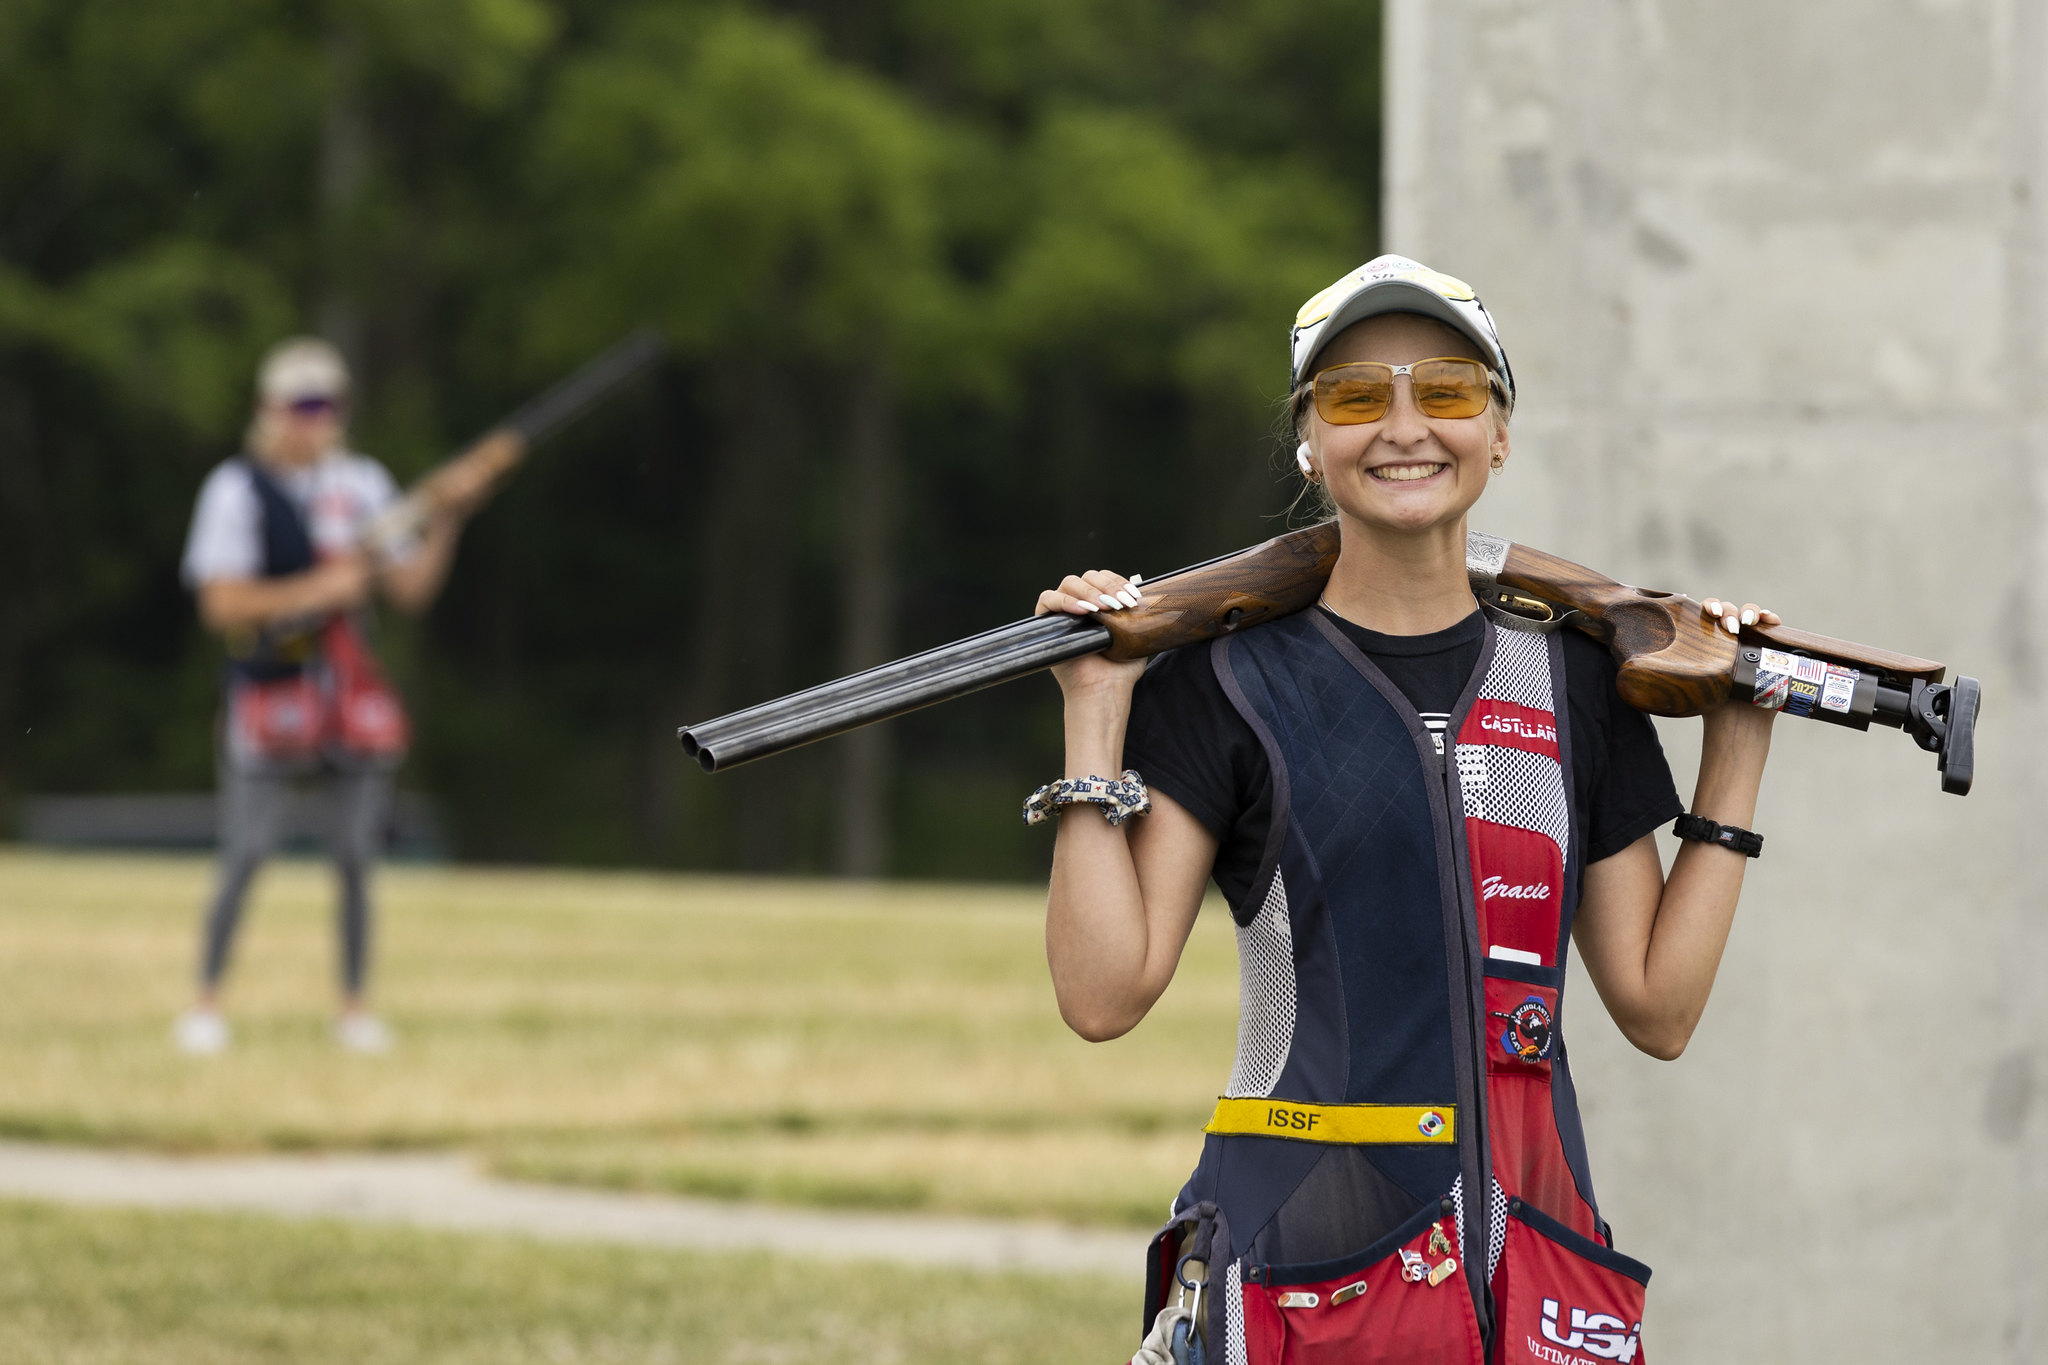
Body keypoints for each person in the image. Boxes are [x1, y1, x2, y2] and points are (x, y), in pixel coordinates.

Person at [1032, 257, 1778, 1363]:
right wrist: (1095, 709)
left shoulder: (1576, 680)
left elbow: (1656, 1009)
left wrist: (1738, 734)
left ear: (1497, 429)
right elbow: (1101, 995)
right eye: (1351, 397)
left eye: (1443, 391)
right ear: (1307, 440)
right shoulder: (1227, 680)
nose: (1401, 427)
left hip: (1535, 1280)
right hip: (1301, 1280)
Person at [175, 338, 489, 1055]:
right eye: (301, 404)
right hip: (271, 689)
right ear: (268, 409)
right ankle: (205, 1001)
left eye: (328, 403)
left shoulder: (365, 486)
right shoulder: (235, 489)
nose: (316, 418)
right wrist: (318, 590)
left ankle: (353, 1007)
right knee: (247, 850)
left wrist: (448, 515)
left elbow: (410, 589)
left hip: (350, 694)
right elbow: (221, 602)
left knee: (355, 856)